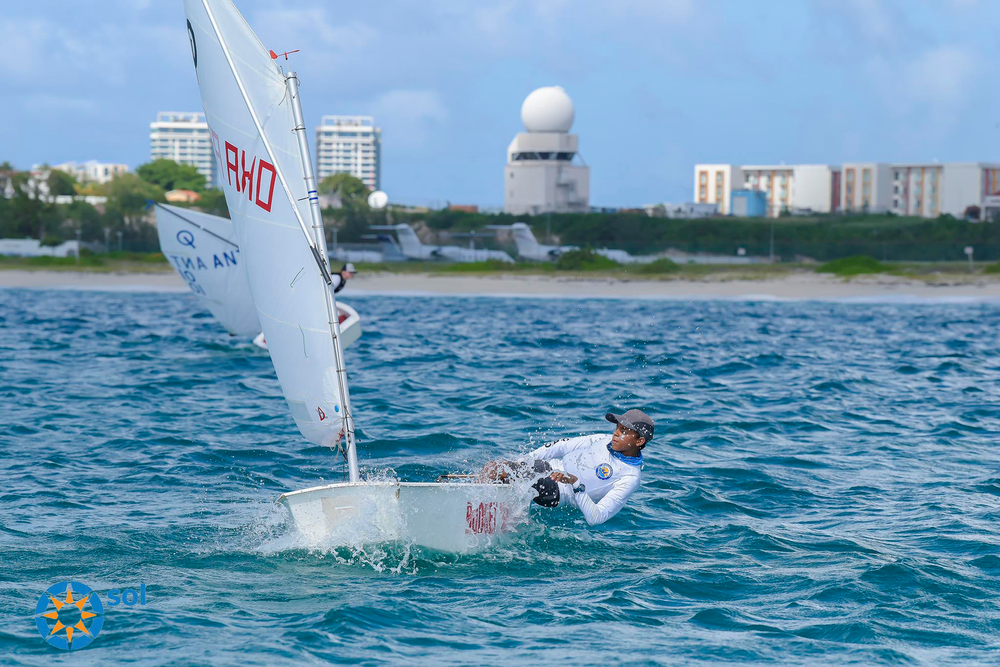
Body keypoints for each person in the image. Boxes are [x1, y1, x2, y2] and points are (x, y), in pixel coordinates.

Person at [483, 409, 653, 526]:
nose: (616, 433)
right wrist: (524, 461)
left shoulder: (630, 478)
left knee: (499, 470)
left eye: (624, 431)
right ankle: (479, 499)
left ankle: (479, 509)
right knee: (496, 467)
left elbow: (597, 517)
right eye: (617, 427)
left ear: (639, 441)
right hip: (547, 467)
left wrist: (576, 484)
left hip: (557, 491)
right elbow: (562, 446)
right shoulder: (604, 439)